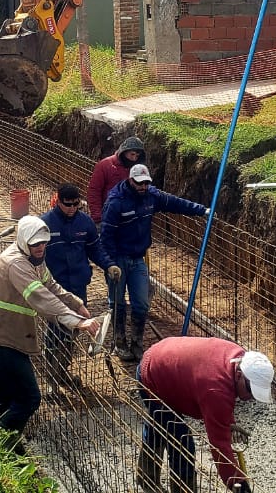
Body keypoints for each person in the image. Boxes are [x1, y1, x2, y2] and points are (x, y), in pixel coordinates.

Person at [0, 215, 101, 441]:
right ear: (24, 241)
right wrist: (76, 321)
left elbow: (50, 285)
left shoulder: (34, 258)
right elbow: (41, 297)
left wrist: (76, 303)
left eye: (44, 243)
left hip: (8, 333)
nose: (41, 247)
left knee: (3, 393)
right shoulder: (16, 264)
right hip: (2, 337)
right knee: (30, 398)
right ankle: (4, 440)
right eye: (36, 244)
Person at [136, 336, 273, 493]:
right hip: (153, 378)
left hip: (163, 360)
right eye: (250, 391)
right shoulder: (216, 389)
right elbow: (219, 446)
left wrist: (227, 421)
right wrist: (239, 484)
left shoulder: (238, 358)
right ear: (239, 375)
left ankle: (146, 477)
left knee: (159, 425)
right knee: (181, 442)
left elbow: (224, 394)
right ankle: (179, 489)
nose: (250, 397)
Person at [101, 164, 209, 361]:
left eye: (146, 183)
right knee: (117, 302)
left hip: (138, 258)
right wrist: (109, 264)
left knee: (141, 303)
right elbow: (106, 235)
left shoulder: (151, 196)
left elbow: (174, 203)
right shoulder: (116, 202)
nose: (143, 187)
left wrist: (202, 211)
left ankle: (137, 343)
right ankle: (119, 342)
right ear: (130, 180)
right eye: (139, 183)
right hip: (118, 259)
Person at [39, 184, 121, 389]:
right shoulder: (45, 224)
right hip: (55, 288)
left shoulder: (85, 223)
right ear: (58, 201)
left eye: (76, 204)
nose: (72, 208)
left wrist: (109, 265)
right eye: (67, 204)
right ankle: (51, 379)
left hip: (77, 287)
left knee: (72, 331)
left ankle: (61, 372)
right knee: (55, 332)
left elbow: (95, 249)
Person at [87, 135, 146, 226]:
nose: (134, 158)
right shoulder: (104, 165)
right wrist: (97, 218)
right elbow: (94, 191)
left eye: (137, 156)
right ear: (124, 152)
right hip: (108, 217)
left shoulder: (137, 169)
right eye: (132, 154)